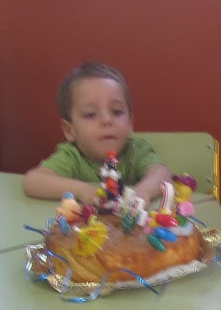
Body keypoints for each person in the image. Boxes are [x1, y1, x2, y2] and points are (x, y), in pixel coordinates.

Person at [22, 62, 171, 204]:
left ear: (130, 123)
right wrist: (82, 190)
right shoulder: (72, 156)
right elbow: (33, 181)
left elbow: (162, 174)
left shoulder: (136, 151)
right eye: (91, 114)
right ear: (69, 130)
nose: (107, 120)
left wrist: (143, 191)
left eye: (117, 112)